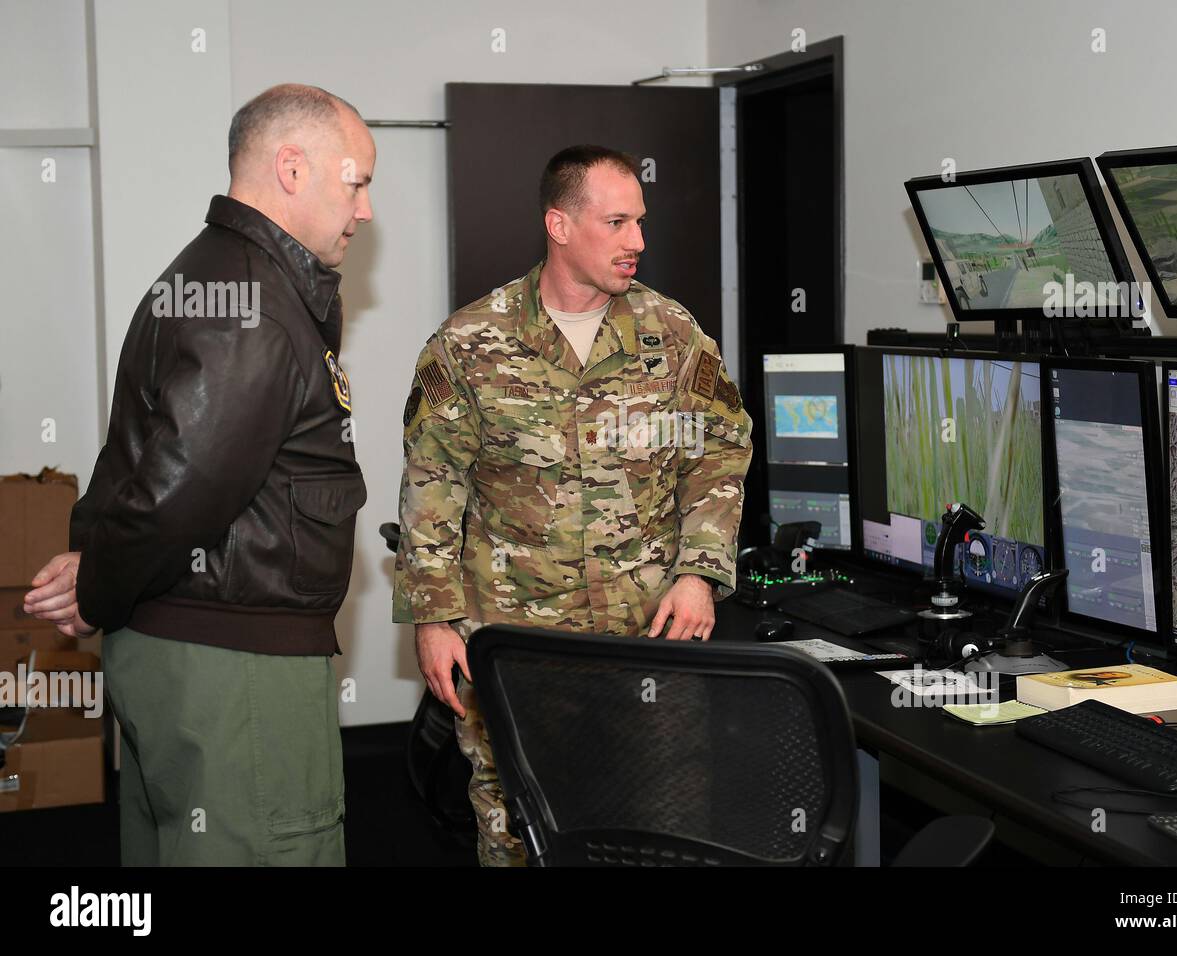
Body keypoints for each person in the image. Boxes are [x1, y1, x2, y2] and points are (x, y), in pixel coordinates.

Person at [22, 83, 375, 866]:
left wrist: (104, 575)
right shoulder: (251, 299)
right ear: (292, 167)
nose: (365, 208)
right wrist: (99, 584)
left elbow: (154, 468)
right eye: (357, 181)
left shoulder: (221, 274)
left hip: (190, 642)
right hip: (236, 668)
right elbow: (182, 489)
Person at [393, 144, 753, 866]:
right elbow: (432, 482)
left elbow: (720, 449)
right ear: (559, 225)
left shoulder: (674, 336)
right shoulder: (470, 343)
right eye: (617, 222)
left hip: (646, 636)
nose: (637, 242)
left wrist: (700, 572)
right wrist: (434, 617)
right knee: (517, 830)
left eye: (640, 222)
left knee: (658, 829)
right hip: (517, 644)